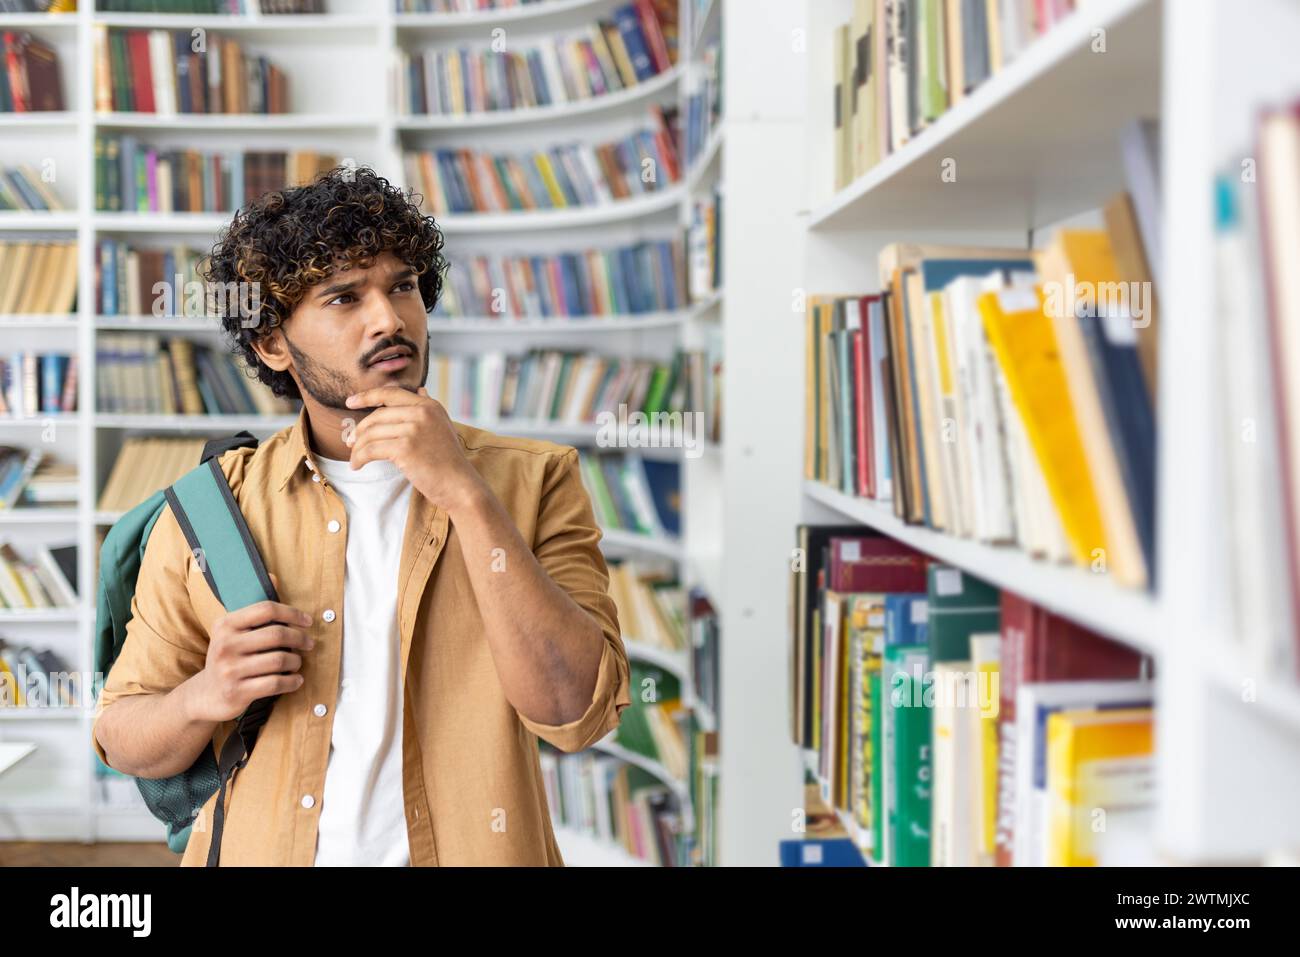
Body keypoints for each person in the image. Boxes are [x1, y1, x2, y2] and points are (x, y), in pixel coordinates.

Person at [92, 166, 631, 866]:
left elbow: (575, 715)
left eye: (403, 285)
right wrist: (205, 694)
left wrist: (466, 494)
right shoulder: (210, 507)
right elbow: (120, 735)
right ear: (272, 344)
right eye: (344, 297)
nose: (389, 318)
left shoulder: (534, 480)